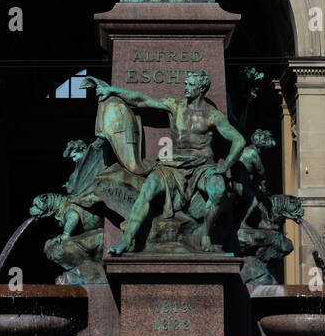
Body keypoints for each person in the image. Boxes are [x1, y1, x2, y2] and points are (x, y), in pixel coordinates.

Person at [83, 69, 245, 254]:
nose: (185, 87)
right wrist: (113, 90)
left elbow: (239, 140)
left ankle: (206, 235)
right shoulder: (175, 105)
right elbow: (142, 100)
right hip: (172, 166)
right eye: (185, 83)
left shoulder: (212, 115)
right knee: (147, 190)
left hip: (202, 166)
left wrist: (224, 167)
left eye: (190, 84)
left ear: (201, 88)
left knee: (218, 191)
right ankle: (125, 241)